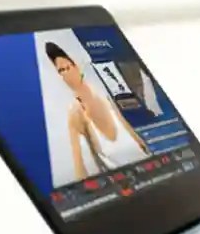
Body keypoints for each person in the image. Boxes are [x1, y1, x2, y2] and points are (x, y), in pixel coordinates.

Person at [45, 41, 151, 180]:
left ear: (76, 66)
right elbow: (79, 161)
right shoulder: (75, 111)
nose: (67, 72)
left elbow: (123, 123)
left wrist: (142, 143)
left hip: (140, 158)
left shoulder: (101, 94)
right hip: (120, 173)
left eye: (68, 66)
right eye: (61, 70)